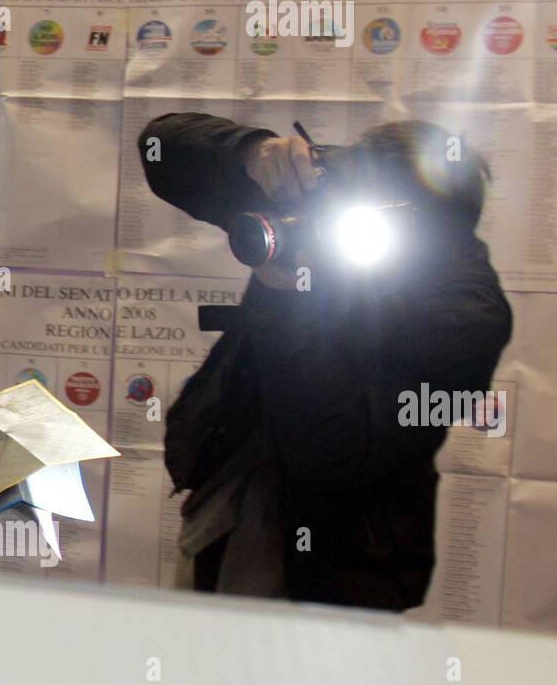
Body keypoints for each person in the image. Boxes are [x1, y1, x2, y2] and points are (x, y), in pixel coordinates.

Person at [137, 112, 513, 611]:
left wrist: (292, 300)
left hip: (341, 567)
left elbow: (331, 454)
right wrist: (255, 152)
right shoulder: (324, 197)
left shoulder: (468, 314)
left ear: (430, 235)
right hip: (226, 508)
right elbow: (160, 149)